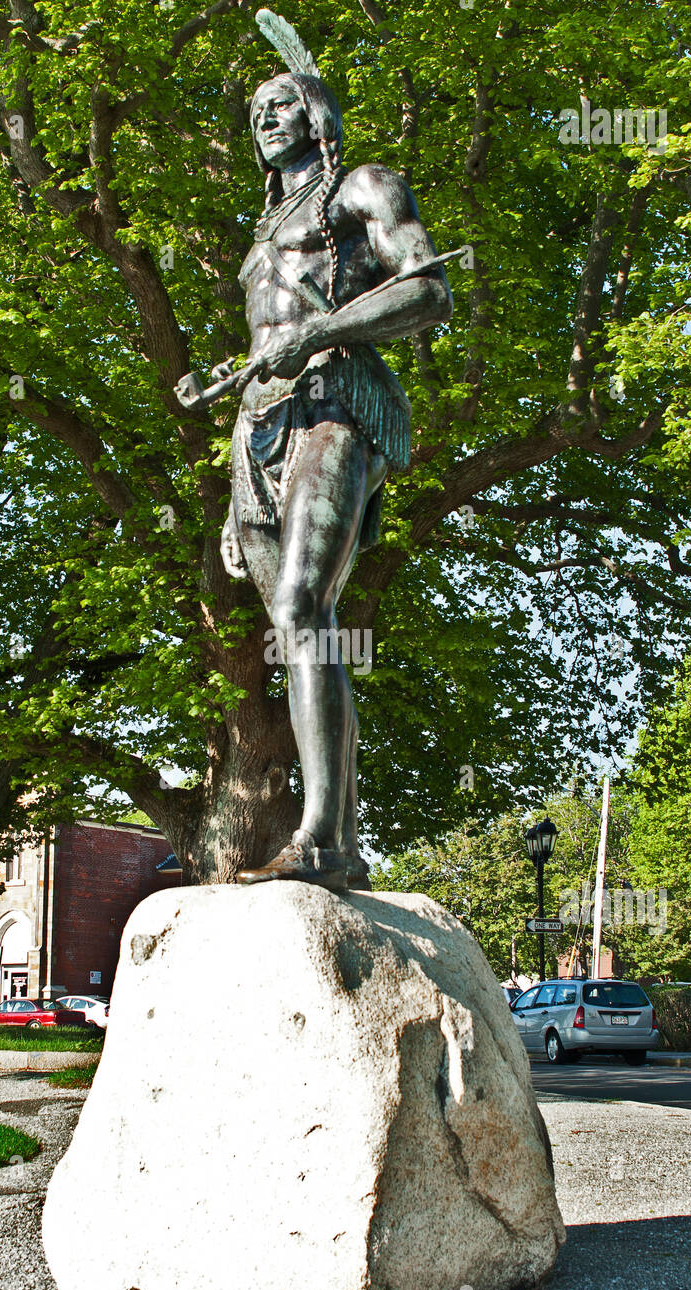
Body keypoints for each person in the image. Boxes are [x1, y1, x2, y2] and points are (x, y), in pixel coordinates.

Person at [178, 37, 452, 891]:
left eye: (283, 103)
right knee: (297, 629)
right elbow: (268, 332)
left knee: (303, 606)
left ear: (317, 111)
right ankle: (338, 839)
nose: (266, 118)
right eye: (256, 110)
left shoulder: (364, 186)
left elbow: (429, 290)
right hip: (258, 425)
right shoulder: (265, 225)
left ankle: (321, 839)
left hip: (338, 400)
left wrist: (321, 330)